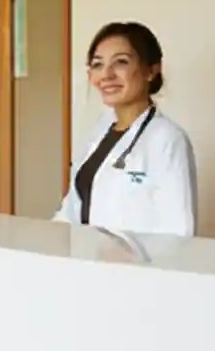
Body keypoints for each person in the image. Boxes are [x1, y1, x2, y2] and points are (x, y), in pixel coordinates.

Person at [53, 22, 197, 237]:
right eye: (98, 64)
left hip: (136, 268)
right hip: (86, 262)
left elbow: (180, 231)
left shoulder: (167, 140)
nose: (106, 74)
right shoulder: (97, 134)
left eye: (121, 62)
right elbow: (72, 210)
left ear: (151, 70)